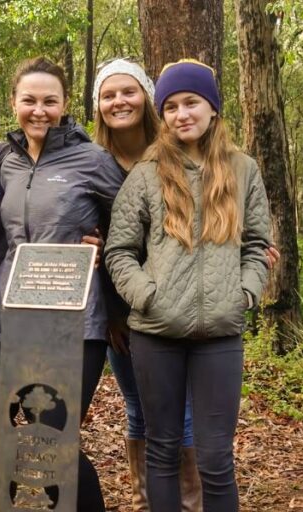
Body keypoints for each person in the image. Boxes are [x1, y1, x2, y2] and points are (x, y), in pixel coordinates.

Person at [105, 59, 271, 512]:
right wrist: (147, 296)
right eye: (172, 106)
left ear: (212, 108)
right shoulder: (146, 172)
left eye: (192, 103)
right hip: (156, 333)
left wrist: (244, 294)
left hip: (220, 333)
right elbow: (118, 250)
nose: (182, 114)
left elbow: (258, 243)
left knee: (216, 457)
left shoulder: (243, 171)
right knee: (163, 448)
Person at [0, 56, 124, 511]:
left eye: (50, 101)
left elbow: (138, 222)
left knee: (54, 435)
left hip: (77, 323)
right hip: (17, 322)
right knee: (21, 440)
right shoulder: (3, 161)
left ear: (65, 104)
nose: (39, 110)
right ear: (14, 102)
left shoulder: (92, 159)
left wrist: (106, 247)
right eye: (29, 100)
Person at [92, 58, 201, 511]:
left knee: (184, 411)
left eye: (129, 91)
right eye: (108, 94)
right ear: (98, 105)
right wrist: (115, 313)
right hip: (121, 310)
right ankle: (145, 500)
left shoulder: (176, 152)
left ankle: (190, 502)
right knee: (137, 406)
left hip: (179, 306)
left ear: (146, 97)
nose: (119, 101)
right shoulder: (90, 162)